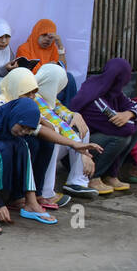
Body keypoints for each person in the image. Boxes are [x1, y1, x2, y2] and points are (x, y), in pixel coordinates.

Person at [71, 58, 137, 196]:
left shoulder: (113, 92)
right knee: (122, 137)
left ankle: (110, 175)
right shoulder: (95, 98)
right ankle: (93, 177)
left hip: (98, 141)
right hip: (79, 149)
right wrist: (131, 118)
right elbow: (125, 128)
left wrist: (129, 113)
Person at [0, 97, 57, 226]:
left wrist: (76, 145)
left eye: (28, 129)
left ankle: (31, 202)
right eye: (22, 126)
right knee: (0, 150)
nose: (23, 131)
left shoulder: (11, 129)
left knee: (22, 144)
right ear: (14, 116)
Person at [33, 63, 100, 202]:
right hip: (35, 150)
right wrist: (83, 151)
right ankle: (46, 192)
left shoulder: (46, 93)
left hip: (44, 148)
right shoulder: (34, 96)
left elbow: (61, 111)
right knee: (55, 136)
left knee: (81, 129)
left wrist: (74, 115)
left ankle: (77, 182)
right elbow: (58, 125)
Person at [16, 18, 80, 104]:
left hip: (52, 86)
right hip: (35, 89)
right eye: (44, 35)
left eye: (50, 37)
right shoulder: (24, 49)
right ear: (36, 33)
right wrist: (48, 68)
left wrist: (60, 46)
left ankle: (71, 112)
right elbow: (31, 75)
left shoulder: (53, 48)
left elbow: (63, 71)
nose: (47, 39)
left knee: (69, 77)